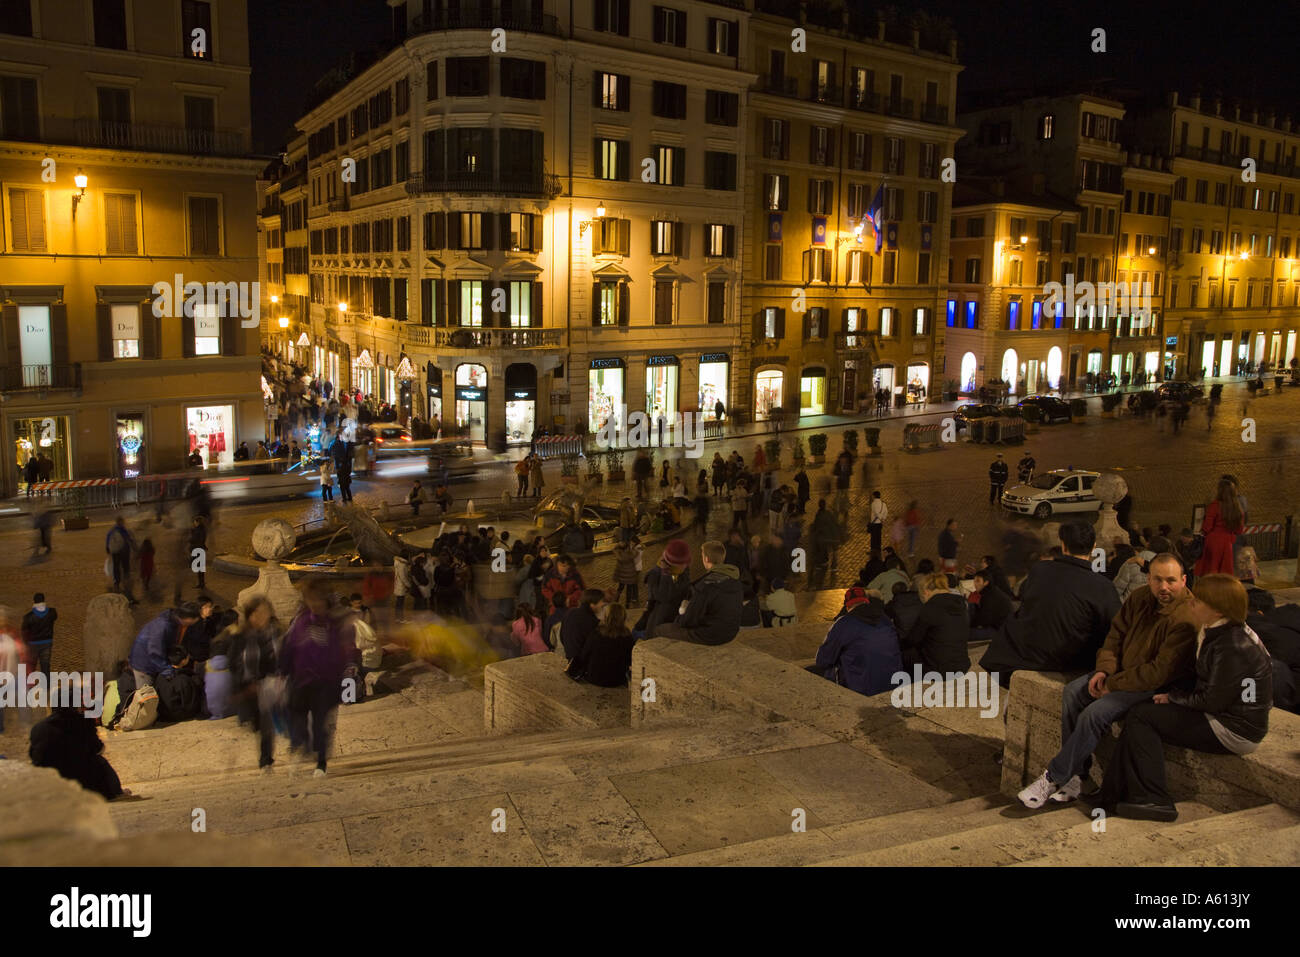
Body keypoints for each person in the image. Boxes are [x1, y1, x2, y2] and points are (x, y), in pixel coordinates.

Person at [1018, 554, 1198, 809]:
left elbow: (1158, 672)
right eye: (1158, 580)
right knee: (1072, 692)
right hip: (1120, 674)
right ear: (1149, 578)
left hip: (1151, 686)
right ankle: (1078, 778)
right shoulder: (1139, 597)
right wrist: (1104, 671)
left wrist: (1113, 685)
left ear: (1183, 580)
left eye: (1171, 580)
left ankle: (1054, 777)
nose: (1164, 587)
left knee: (1095, 713)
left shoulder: (1185, 617)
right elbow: (1114, 637)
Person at [1097, 574, 1272, 822]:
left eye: (1198, 601)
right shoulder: (1221, 630)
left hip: (1234, 728)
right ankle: (1111, 795)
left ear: (1216, 609)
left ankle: (1155, 798)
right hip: (1223, 715)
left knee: (1143, 717)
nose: (1192, 603)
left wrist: (1174, 698)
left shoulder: (1232, 645)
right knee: (1139, 711)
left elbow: (1213, 700)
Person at [980, 522, 1122, 687]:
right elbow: (1115, 625)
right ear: (1093, 548)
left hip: (1030, 651)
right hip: (1071, 657)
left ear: (1063, 544)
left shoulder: (1040, 569)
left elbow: (1028, 600)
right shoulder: (1102, 586)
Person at [280, 579, 355, 777]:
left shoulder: (333, 625)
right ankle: (300, 747)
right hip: (301, 680)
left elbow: (342, 653)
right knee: (297, 718)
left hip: (325, 682)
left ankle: (321, 763)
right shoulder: (300, 621)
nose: (315, 604)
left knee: (321, 723)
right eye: (311, 600)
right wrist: (283, 672)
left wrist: (343, 679)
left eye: (318, 600)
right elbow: (289, 648)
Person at [809, 586, 904, 696]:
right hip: (893, 683)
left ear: (848, 606)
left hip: (862, 688)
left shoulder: (844, 623)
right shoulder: (885, 619)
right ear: (866, 602)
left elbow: (823, 660)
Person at [651, 540, 743, 645]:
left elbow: (688, 621)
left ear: (706, 559)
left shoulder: (707, 585)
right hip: (730, 632)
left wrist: (680, 617)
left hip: (710, 635)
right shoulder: (734, 579)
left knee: (660, 629)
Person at [29, 700, 125, 801]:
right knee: (99, 761)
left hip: (49, 786)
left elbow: (34, 757)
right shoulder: (83, 722)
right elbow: (99, 749)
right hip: (83, 785)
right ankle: (115, 791)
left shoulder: (38, 728)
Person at [229, 596, 280, 768]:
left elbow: (277, 660)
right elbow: (233, 664)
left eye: (265, 613)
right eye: (257, 613)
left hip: (267, 685)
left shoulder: (273, 634)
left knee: (267, 725)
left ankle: (266, 761)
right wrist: (241, 686)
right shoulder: (241, 637)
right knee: (258, 724)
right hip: (248, 688)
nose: (261, 617)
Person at [902, 573, 971, 673]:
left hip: (938, 670)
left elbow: (913, 639)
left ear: (926, 592)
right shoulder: (961, 604)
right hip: (961, 665)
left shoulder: (931, 606)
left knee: (906, 655)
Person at [128, 602, 201, 689]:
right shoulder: (162, 626)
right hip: (144, 666)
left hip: (155, 663)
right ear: (188, 619)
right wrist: (169, 671)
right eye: (192, 622)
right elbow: (155, 653)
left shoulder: (174, 621)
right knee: (147, 697)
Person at [568, 603, 636, 687]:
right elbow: (631, 660)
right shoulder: (627, 637)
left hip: (594, 678)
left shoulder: (596, 634)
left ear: (606, 616)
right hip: (617, 680)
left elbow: (584, 654)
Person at [641, 539, 692, 637]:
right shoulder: (655, 574)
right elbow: (662, 597)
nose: (685, 566)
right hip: (660, 620)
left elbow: (685, 588)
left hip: (676, 617)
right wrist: (666, 574)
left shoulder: (683, 570)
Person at [1195, 477, 1245, 576]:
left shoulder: (1215, 506)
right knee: (1225, 572)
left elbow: (1207, 527)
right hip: (1229, 542)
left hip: (1213, 541)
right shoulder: (1237, 508)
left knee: (1211, 570)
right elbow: (1239, 530)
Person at [560, 588, 608, 661]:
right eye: (601, 601)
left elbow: (562, 636)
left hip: (570, 658)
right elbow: (592, 647)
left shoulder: (570, 612)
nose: (603, 604)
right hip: (583, 662)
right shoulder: (592, 621)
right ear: (592, 604)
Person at [21, 593, 56, 682]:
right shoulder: (52, 612)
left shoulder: (28, 617)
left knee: (31, 665)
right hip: (47, 643)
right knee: (45, 665)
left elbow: (24, 630)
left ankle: (29, 684)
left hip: (33, 644)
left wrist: (25, 643)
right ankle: (46, 685)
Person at [968, 570, 1013, 641]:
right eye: (974, 581)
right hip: (997, 626)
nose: (975, 584)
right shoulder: (990, 592)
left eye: (978, 581)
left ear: (986, 583)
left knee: (965, 633)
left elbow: (985, 619)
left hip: (999, 630)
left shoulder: (991, 596)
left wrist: (971, 625)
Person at [105, 515, 137, 602]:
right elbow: (130, 540)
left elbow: (108, 540)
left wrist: (108, 549)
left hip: (116, 552)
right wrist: (135, 549)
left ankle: (117, 583)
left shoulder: (112, 531)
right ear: (122, 522)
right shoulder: (124, 530)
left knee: (116, 567)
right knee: (125, 568)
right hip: (124, 552)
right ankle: (126, 584)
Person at [613, 537, 642, 606]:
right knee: (629, 590)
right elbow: (637, 552)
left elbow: (615, 549)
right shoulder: (631, 554)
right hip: (630, 575)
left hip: (622, 576)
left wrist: (618, 545)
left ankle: (616, 600)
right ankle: (627, 604)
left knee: (620, 588)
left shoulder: (619, 554)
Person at [189, 516, 207, 591]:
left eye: (195, 522)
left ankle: (201, 583)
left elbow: (194, 540)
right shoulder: (202, 529)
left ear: (197, 522)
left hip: (197, 550)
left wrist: (191, 538)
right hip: (201, 549)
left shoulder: (198, 530)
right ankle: (201, 583)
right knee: (201, 568)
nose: (194, 523)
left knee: (199, 568)